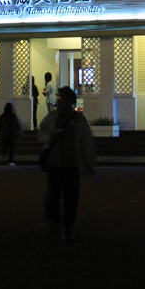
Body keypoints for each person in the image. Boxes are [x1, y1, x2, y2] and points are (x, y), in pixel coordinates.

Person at [38, 86, 96, 242]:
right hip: (54, 163)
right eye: (59, 98)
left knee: (70, 197)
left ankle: (67, 227)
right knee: (52, 196)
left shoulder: (78, 120)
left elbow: (86, 142)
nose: (59, 101)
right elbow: (42, 134)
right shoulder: (52, 117)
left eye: (62, 98)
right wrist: (51, 135)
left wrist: (88, 161)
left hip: (72, 164)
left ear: (70, 100)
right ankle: (54, 223)